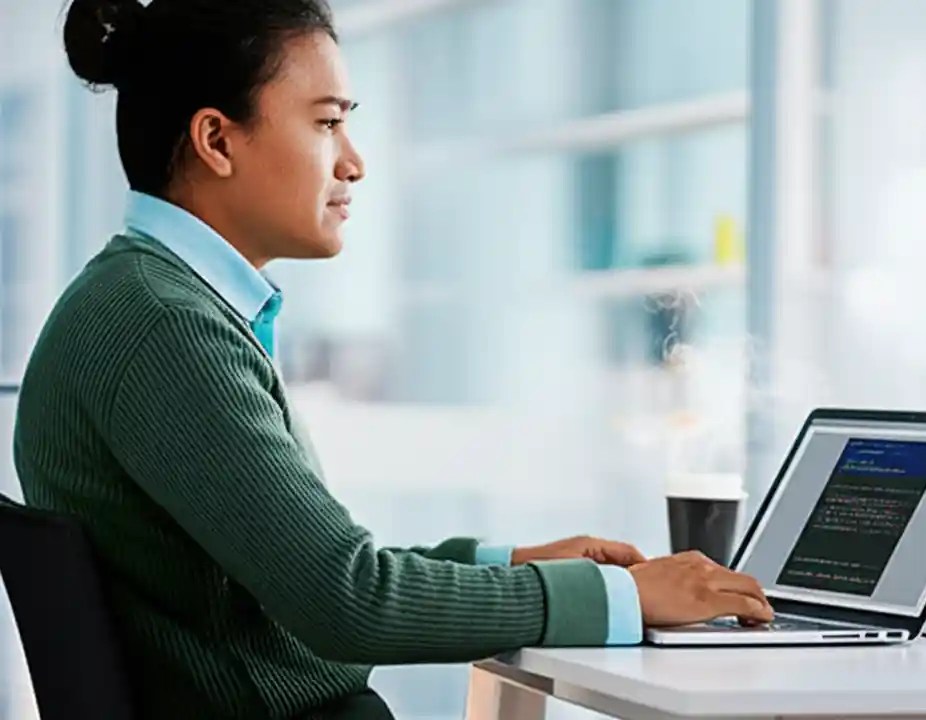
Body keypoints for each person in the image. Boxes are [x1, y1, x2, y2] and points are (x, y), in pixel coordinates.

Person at [12, 1, 774, 718]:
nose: (354, 163)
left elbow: (305, 574)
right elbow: (350, 601)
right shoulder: (164, 328)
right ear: (217, 140)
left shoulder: (147, 301)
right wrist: (627, 600)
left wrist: (514, 564)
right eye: (326, 124)